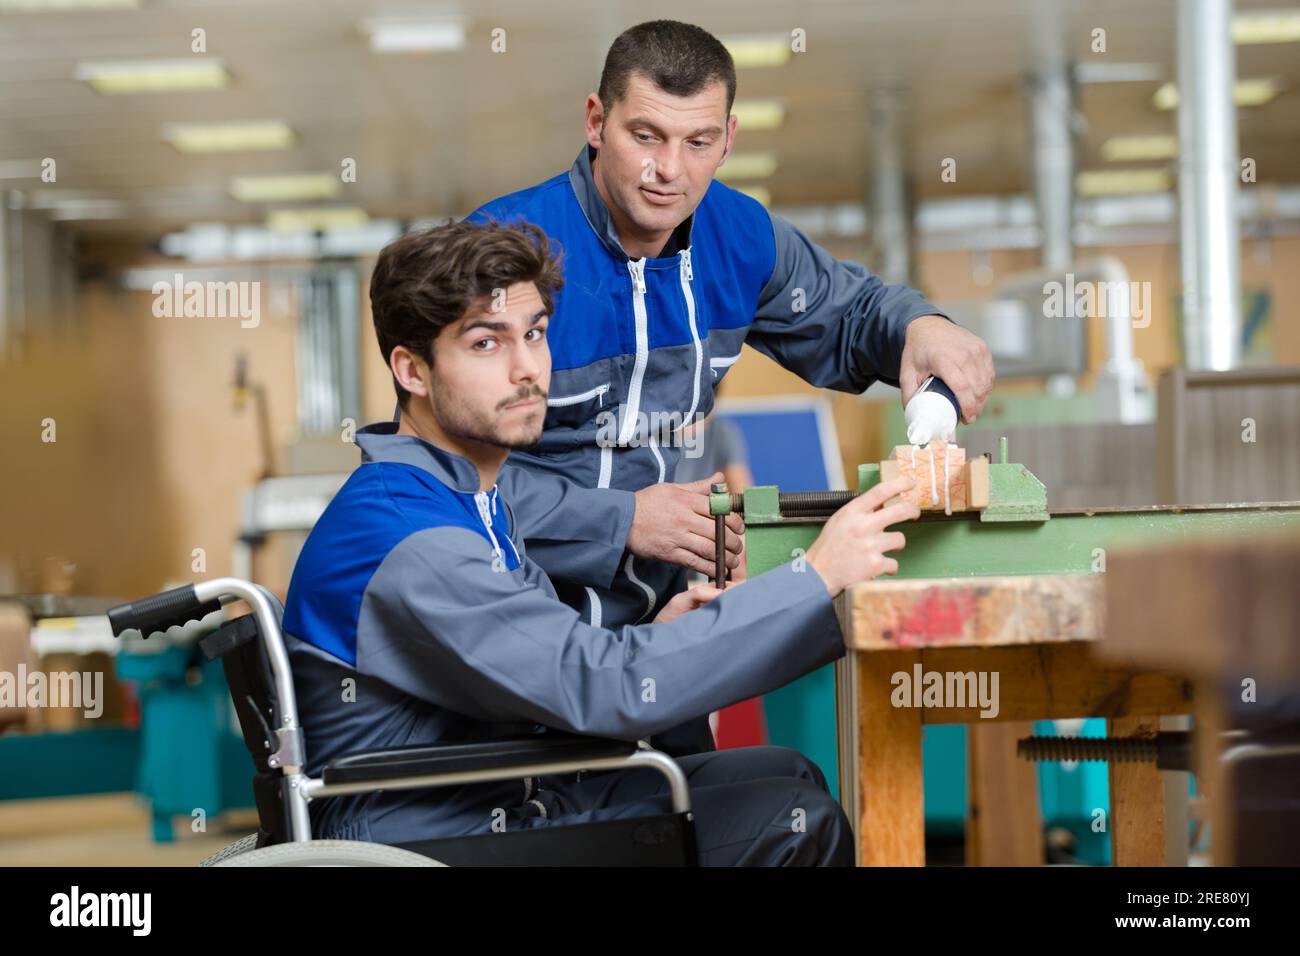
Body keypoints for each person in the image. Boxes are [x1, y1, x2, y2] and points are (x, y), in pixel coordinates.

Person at [283, 219, 919, 865]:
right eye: (486, 343)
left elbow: (554, 668)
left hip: (499, 795)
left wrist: (667, 633)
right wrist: (814, 578)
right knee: (793, 821)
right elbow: (597, 685)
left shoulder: (464, 498)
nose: (527, 369)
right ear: (412, 370)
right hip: (430, 838)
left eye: (534, 333)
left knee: (784, 772)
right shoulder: (412, 535)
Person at [468, 20, 993, 755]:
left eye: (699, 142)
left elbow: (850, 313)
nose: (669, 170)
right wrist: (620, 521)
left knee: (755, 801)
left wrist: (920, 326)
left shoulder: (739, 238)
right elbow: (448, 481)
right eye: (645, 136)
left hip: (666, 640)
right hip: (521, 657)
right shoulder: (502, 253)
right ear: (595, 121)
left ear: (729, 139)